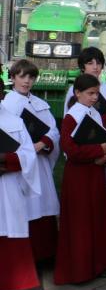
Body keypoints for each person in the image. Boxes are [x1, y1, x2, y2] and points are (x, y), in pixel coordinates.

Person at [54, 74, 106, 285]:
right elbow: (71, 150)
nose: (94, 97)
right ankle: (79, 270)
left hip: (95, 175)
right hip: (79, 176)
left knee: (95, 219)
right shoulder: (72, 117)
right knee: (80, 223)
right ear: (77, 93)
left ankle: (96, 265)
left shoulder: (95, 114)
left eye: (96, 93)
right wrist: (98, 151)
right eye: (90, 93)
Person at [1, 59, 61, 263]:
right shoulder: (7, 105)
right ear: (13, 78)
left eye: (31, 77)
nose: (26, 81)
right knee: (28, 206)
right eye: (22, 76)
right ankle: (31, 257)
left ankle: (47, 253)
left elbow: (53, 129)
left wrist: (43, 143)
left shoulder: (40, 104)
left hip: (41, 161)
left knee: (44, 203)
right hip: (21, 166)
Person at [0, 87, 42, 290]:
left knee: (10, 239)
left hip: (8, 189)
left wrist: (6, 160)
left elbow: (28, 155)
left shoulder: (14, 122)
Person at [64, 47, 106, 124]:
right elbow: (67, 117)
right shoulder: (74, 89)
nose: (95, 67)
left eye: (98, 63)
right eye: (90, 63)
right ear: (82, 66)